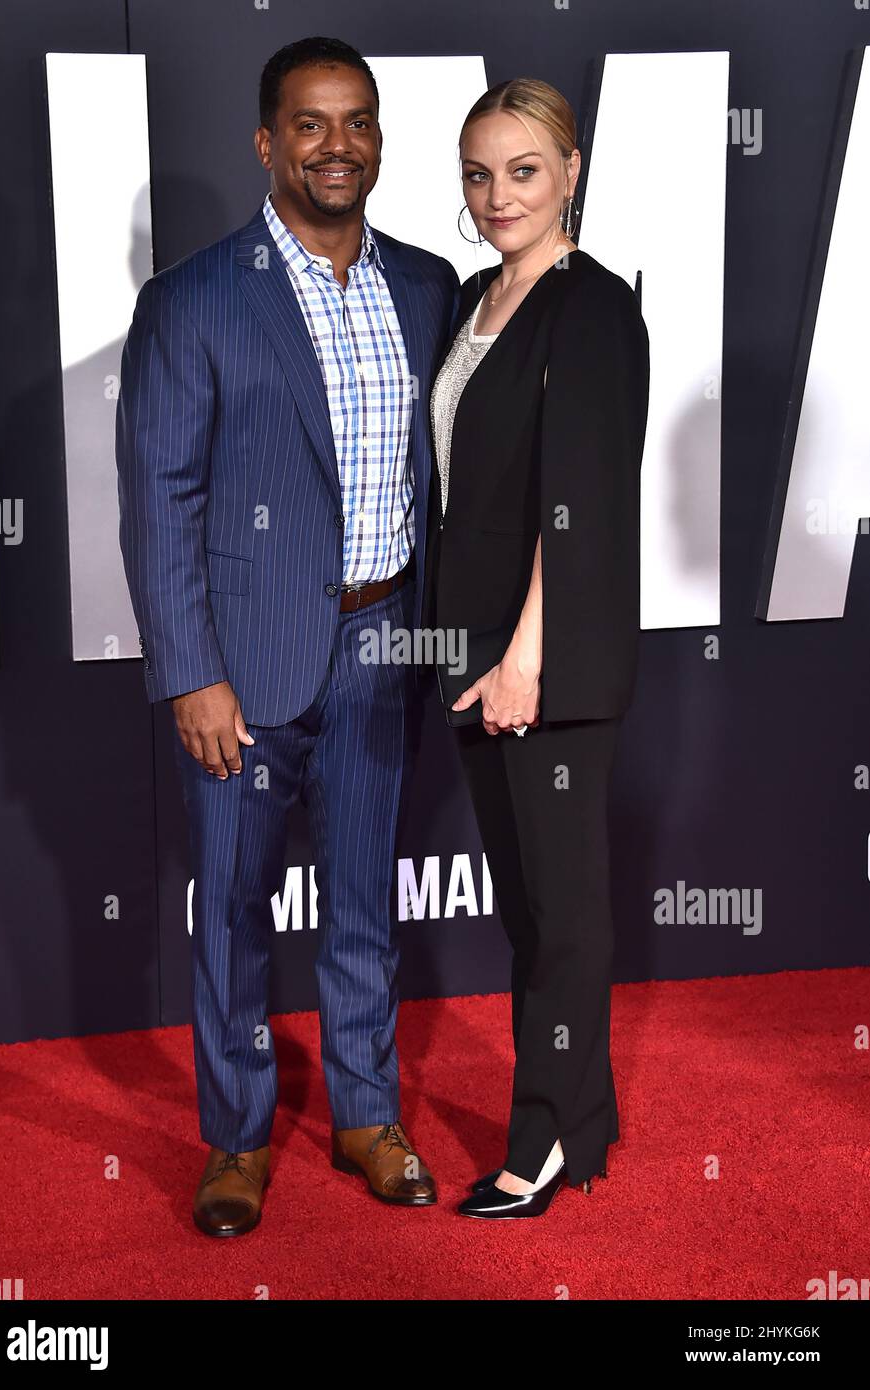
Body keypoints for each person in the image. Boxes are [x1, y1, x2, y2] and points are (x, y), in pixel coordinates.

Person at [116, 36, 459, 1237]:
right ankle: (237, 1138)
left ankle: (367, 1112)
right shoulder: (194, 300)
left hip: (381, 650)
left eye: (356, 122)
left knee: (366, 895)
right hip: (242, 673)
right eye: (309, 125)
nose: (336, 145)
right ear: (267, 143)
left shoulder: (426, 288)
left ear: (378, 140)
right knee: (235, 913)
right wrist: (190, 673)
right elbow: (160, 502)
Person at [426, 78, 650, 1218]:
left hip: (544, 666)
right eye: (479, 172)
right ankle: (587, 1119)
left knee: (562, 916)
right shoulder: (473, 299)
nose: (499, 193)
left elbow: (584, 501)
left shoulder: (593, 307)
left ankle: (545, 1137)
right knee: (531, 913)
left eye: (522, 169)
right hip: (474, 653)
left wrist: (527, 657)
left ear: (570, 172)